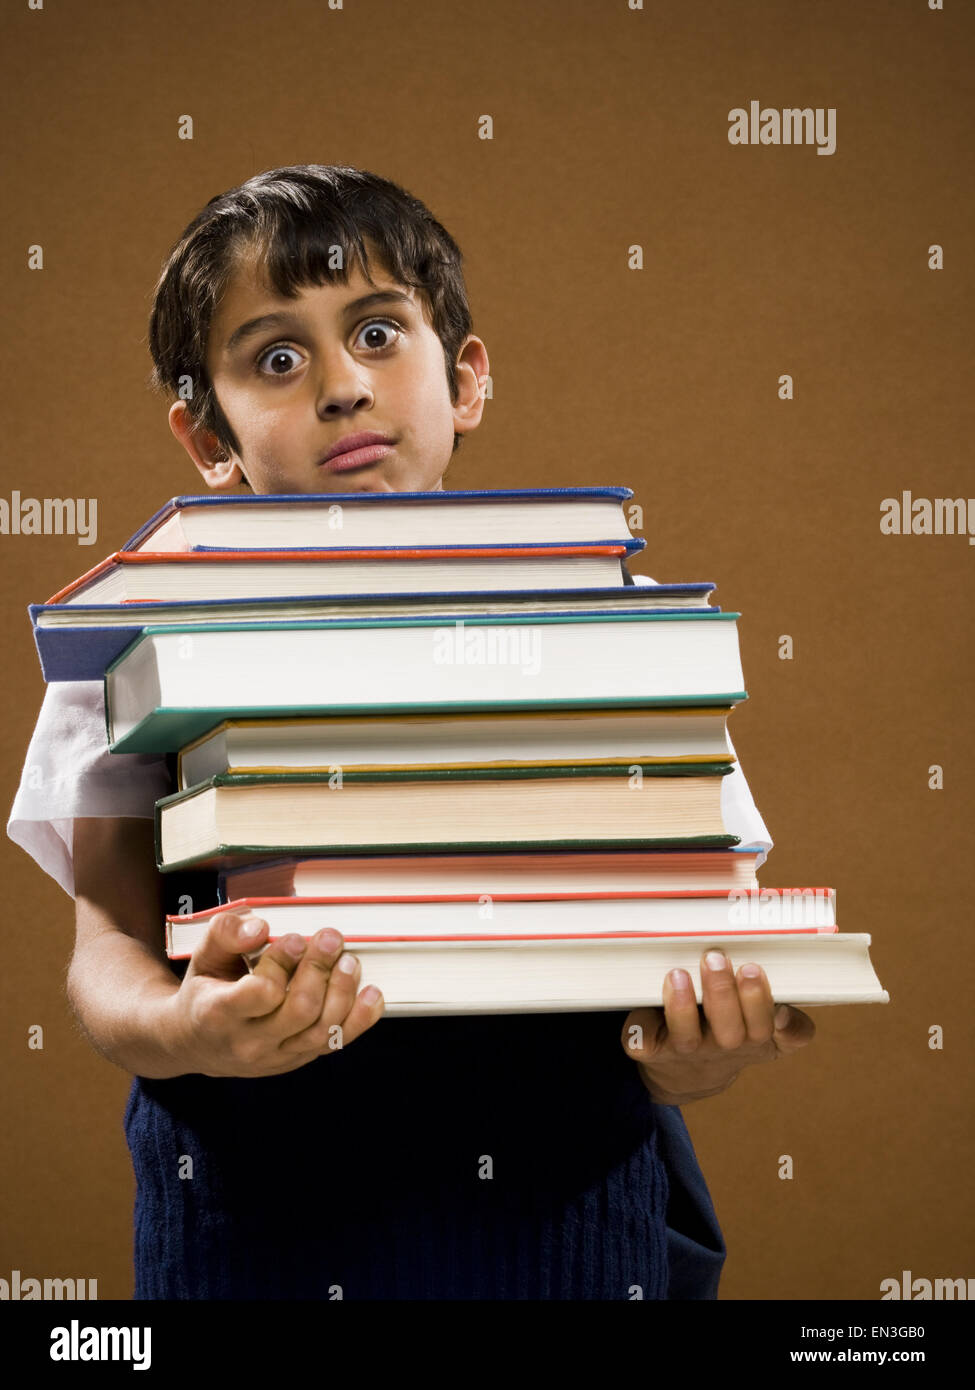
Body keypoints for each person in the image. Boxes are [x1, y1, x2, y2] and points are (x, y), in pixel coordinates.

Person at [7, 165, 814, 1300]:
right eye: (276, 358)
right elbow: (107, 961)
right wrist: (188, 1025)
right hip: (249, 1233)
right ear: (205, 433)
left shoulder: (619, 632)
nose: (342, 386)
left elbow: (684, 978)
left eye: (379, 332)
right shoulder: (138, 642)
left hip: (564, 1235)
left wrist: (697, 1054)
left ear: (466, 376)